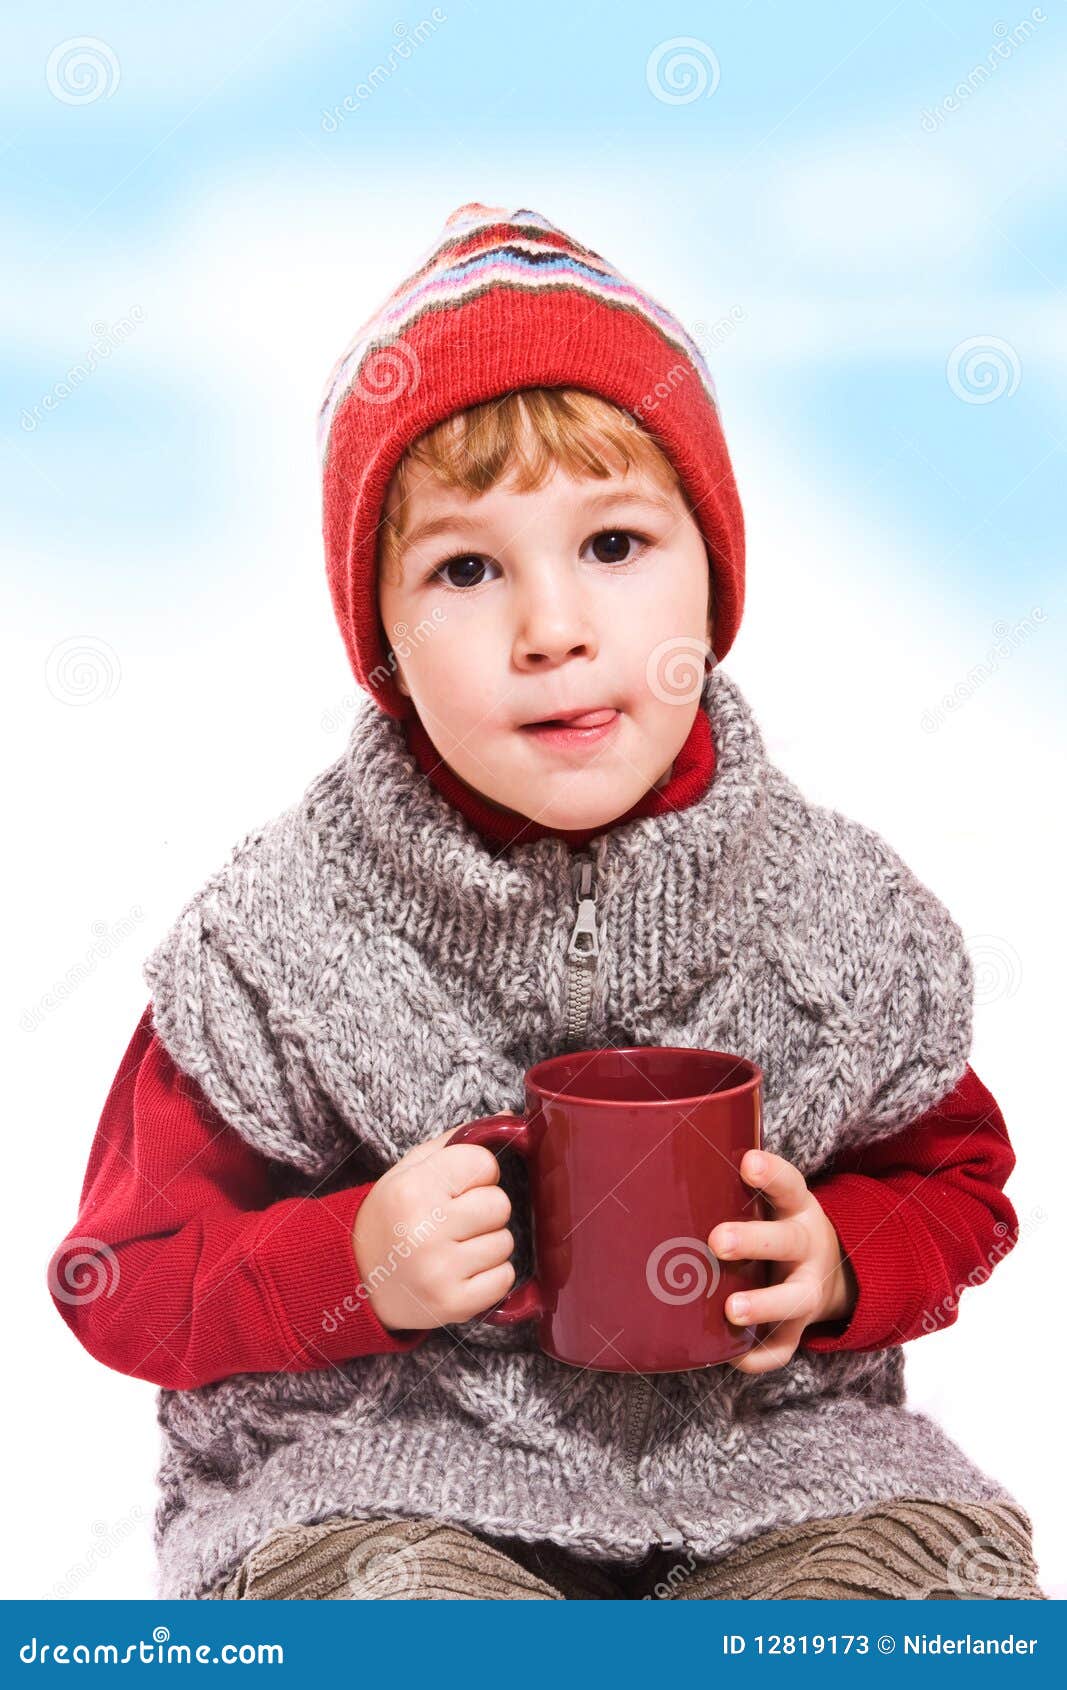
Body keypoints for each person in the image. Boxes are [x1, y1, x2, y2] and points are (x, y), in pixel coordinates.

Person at [49, 204, 1045, 1602]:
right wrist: (355, 1261)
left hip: (778, 1476)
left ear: (717, 575)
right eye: (467, 568)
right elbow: (124, 1274)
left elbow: (959, 1178)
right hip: (384, 1489)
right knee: (385, 1608)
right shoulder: (277, 943)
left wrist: (840, 1263)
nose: (554, 627)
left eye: (617, 544)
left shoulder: (839, 914)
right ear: (383, 641)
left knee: (929, 1590)